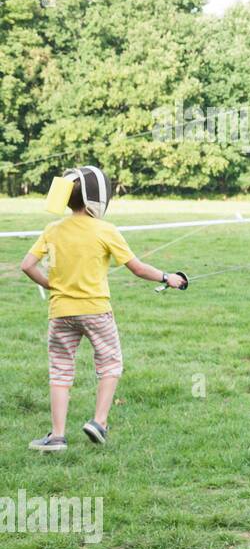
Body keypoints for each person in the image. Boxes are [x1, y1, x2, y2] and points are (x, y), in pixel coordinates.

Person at [20, 166, 188, 451]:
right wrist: (166, 277)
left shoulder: (52, 230)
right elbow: (137, 268)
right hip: (96, 311)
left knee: (60, 371)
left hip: (60, 312)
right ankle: (99, 422)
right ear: (98, 199)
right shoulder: (105, 230)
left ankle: (57, 436)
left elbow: (26, 265)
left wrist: (51, 285)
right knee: (110, 364)